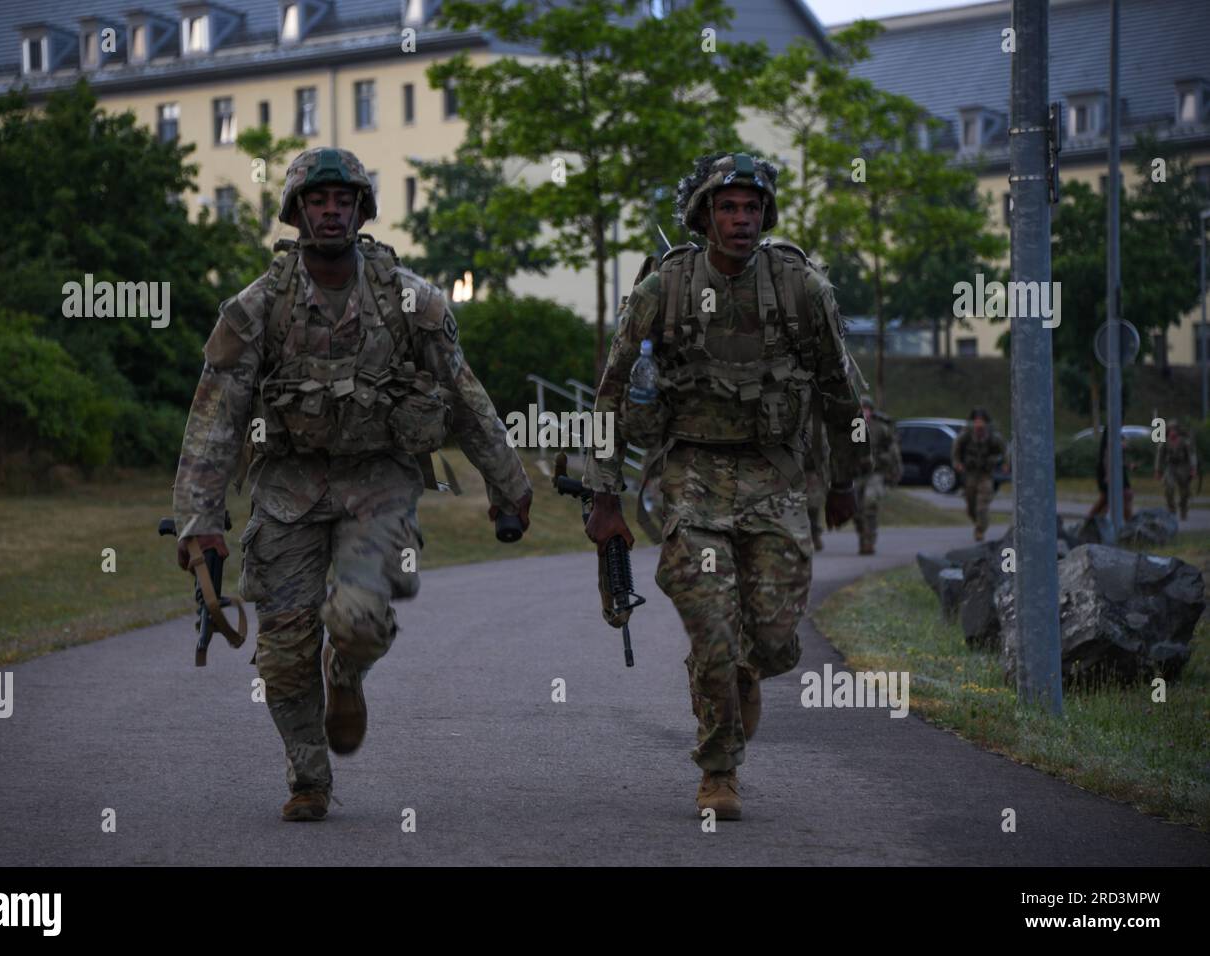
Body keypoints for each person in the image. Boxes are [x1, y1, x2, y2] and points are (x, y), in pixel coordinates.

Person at [171, 147, 531, 822]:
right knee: (281, 653)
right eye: (318, 200)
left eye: (344, 200)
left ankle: (346, 676)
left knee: (358, 618)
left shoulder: (410, 302)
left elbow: (465, 397)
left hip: (380, 483)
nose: (331, 211)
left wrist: (508, 485)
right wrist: (201, 520)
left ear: (362, 210)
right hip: (287, 487)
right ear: (297, 211)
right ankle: (309, 780)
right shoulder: (257, 309)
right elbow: (214, 421)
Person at [583, 152, 863, 821]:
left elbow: (840, 390)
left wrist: (846, 479)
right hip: (690, 475)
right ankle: (718, 769)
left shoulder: (802, 289)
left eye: (752, 207)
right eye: (728, 207)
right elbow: (610, 396)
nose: (742, 220)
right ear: (704, 215)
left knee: (771, 639)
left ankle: (745, 675)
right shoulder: (664, 288)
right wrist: (603, 495)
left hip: (775, 474)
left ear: (766, 214)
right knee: (712, 627)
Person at [852, 396, 901, 555]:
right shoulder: (855, 428)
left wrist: (892, 470)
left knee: (870, 503)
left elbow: (893, 451)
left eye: (866, 409)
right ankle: (862, 536)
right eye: (861, 409)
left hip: (876, 473)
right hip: (858, 474)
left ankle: (869, 541)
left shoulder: (881, 428)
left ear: (871, 411)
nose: (864, 412)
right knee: (856, 509)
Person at [951, 407, 1006, 542]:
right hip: (970, 474)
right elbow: (956, 450)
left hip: (985, 475)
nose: (978, 425)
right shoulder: (966, 436)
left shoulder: (993, 437)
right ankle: (979, 522)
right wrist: (957, 463)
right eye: (976, 421)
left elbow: (1004, 451)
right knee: (970, 507)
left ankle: (980, 530)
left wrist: (1005, 464)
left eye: (981, 421)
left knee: (982, 505)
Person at [1087, 425, 1133, 521]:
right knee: (1111, 498)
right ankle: (1092, 521)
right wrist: (1108, 475)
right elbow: (1106, 458)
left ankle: (1093, 521)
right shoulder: (1110, 441)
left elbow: (1119, 459)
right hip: (1109, 472)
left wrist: (1128, 465)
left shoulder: (1117, 438)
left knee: (1112, 498)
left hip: (1117, 471)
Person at [1155, 420, 1197, 520]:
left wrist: (1193, 468)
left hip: (1183, 467)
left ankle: (1183, 510)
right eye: (1171, 429)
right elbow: (1159, 457)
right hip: (1170, 466)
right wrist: (1158, 470)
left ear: (1178, 430)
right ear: (1168, 430)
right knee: (1168, 488)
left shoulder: (1185, 442)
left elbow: (1191, 455)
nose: (1173, 432)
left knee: (1184, 492)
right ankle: (1171, 509)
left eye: (1175, 429)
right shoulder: (1164, 442)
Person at [804, 403, 830, 552]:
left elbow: (824, 450)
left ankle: (814, 535)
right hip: (792, 470)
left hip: (812, 471)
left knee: (813, 506)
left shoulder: (816, 425)